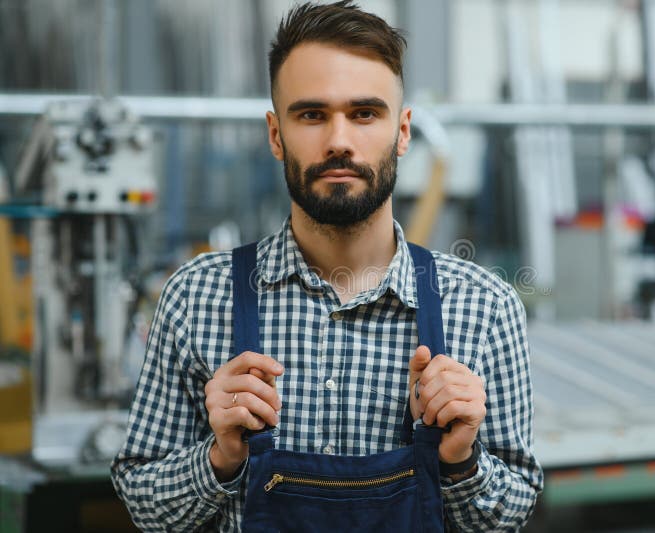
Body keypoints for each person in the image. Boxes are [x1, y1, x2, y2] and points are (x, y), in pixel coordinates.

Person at [111, 1, 543, 531]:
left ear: (402, 132)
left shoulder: (485, 306)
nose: (339, 141)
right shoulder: (197, 297)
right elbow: (144, 506)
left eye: (365, 113)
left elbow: (511, 512)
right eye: (312, 114)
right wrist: (217, 458)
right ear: (276, 135)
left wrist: (461, 460)